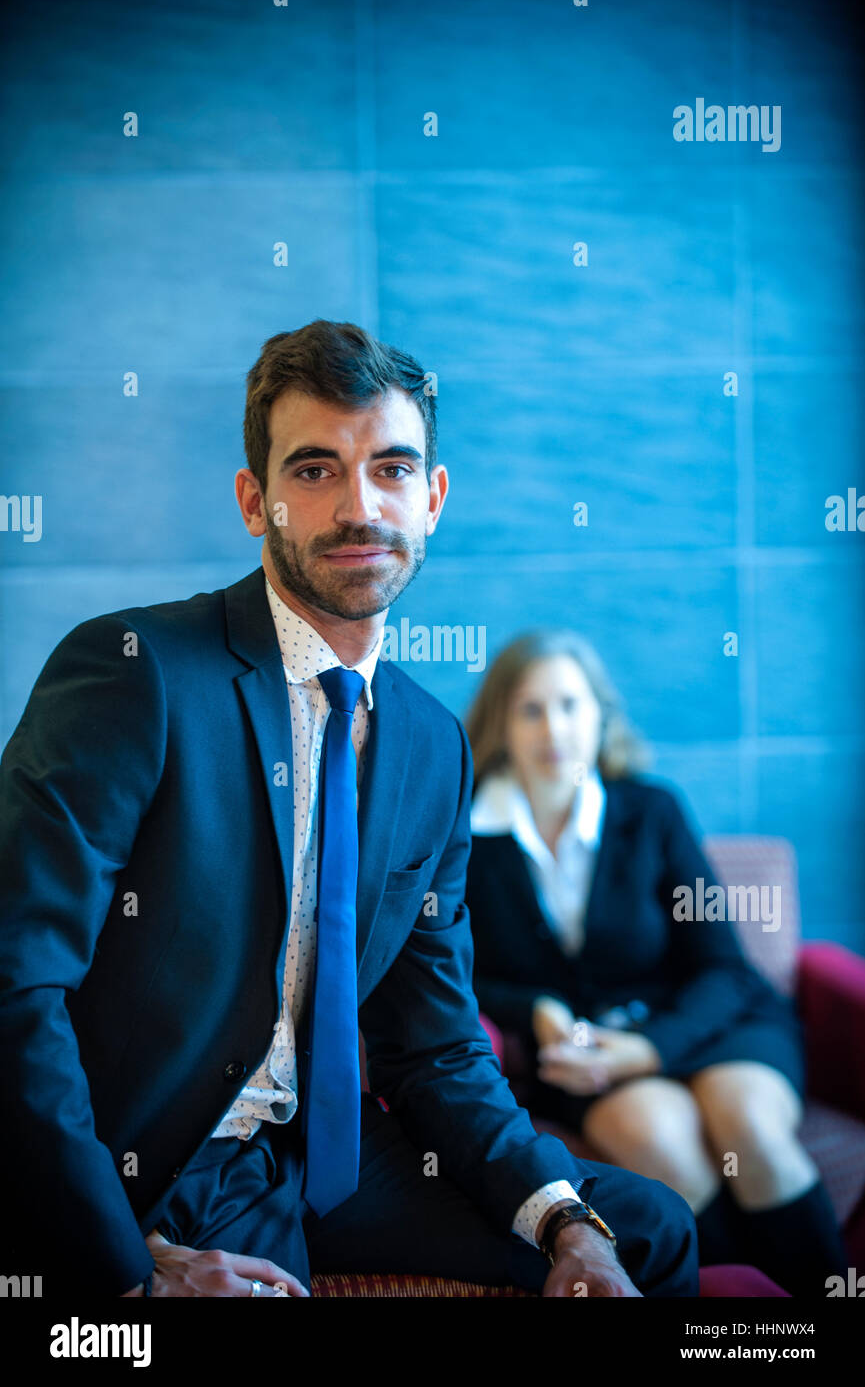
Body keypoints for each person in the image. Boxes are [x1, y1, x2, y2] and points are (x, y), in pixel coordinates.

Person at [0, 320, 697, 1300]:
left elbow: (439, 1040)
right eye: (317, 469)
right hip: (145, 1166)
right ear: (256, 500)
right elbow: (15, 987)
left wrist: (561, 1219)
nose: (359, 506)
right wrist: (123, 1269)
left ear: (433, 499)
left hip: (319, 1162)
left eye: (393, 469)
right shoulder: (135, 675)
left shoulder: (429, 743)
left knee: (646, 1231)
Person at [463, 629, 849, 1297]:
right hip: (589, 1055)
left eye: (569, 705)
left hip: (714, 1024)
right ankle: (748, 1313)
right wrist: (538, 1011)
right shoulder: (468, 835)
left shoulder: (651, 810)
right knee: (658, 1138)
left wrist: (645, 1050)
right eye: (530, 709)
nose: (553, 727)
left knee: (748, 1124)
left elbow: (723, 967)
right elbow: (455, 972)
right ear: (500, 721)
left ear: (599, 716)